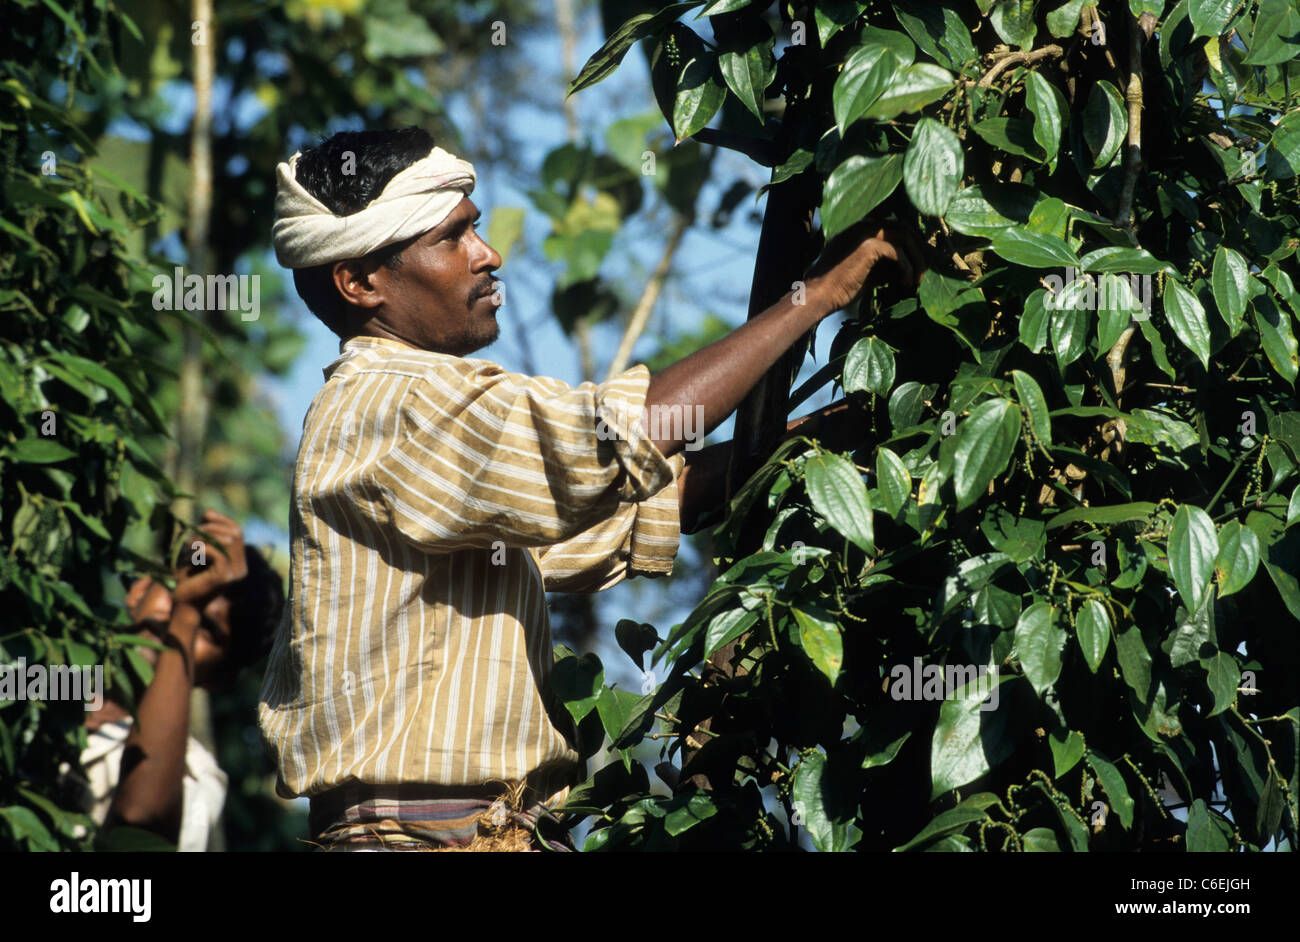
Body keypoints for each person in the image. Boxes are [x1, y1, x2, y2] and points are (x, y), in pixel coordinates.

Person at [259, 126, 922, 851]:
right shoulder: (394, 405)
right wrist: (816, 297)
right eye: (453, 239)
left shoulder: (423, 431)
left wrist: (818, 436)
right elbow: (616, 440)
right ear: (360, 282)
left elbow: (636, 506)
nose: (489, 255)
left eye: (476, 228)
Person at [77, 511, 284, 851]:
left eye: (206, 629)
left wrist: (186, 612)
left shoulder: (193, 774)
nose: (174, 615)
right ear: (140, 590)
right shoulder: (48, 676)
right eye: (175, 590)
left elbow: (140, 818)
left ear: (221, 677)